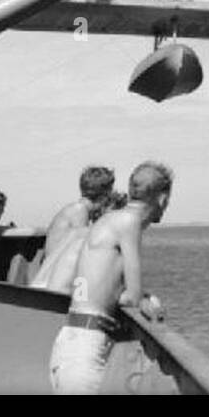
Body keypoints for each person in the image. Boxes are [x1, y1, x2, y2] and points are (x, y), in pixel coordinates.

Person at [48, 161, 173, 395]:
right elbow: (132, 298)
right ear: (163, 199)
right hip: (85, 350)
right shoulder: (129, 223)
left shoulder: (111, 220)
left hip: (71, 345)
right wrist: (147, 300)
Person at [31, 167, 124, 293]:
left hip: (49, 280)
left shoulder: (74, 209)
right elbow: (82, 255)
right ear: (106, 193)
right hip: (51, 284)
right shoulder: (79, 211)